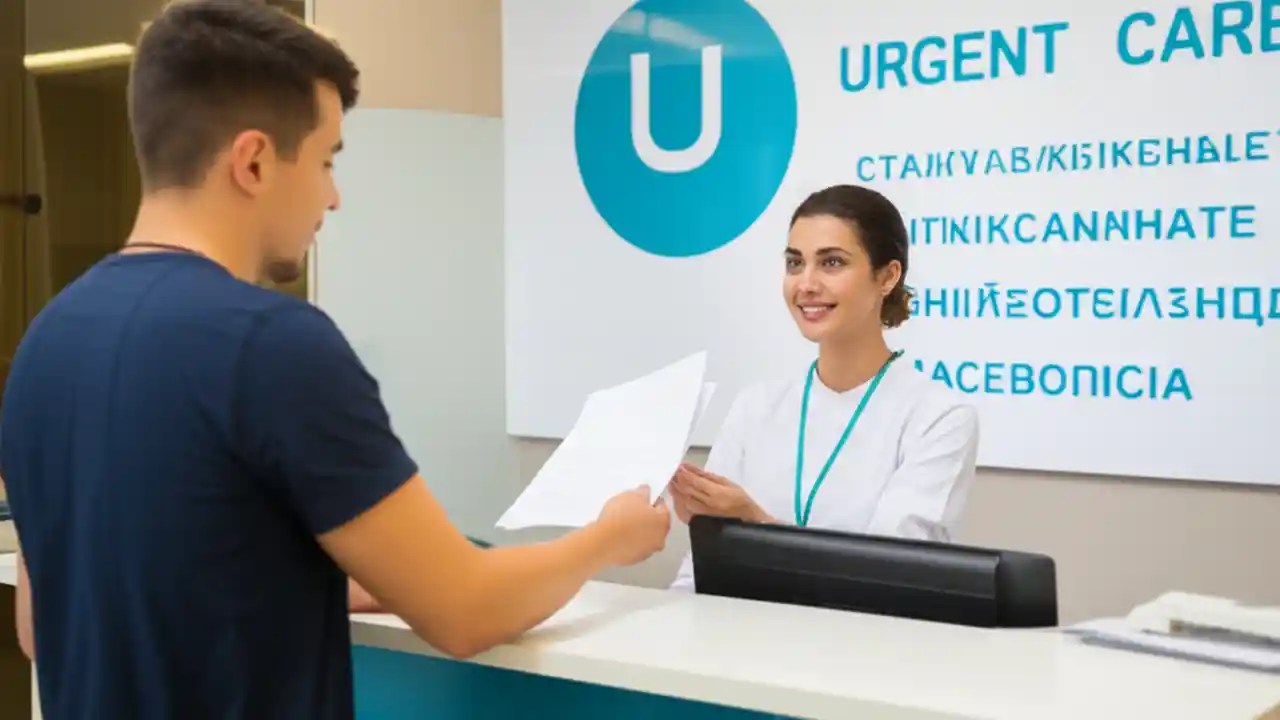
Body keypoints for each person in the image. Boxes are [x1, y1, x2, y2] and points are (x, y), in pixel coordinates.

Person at [0, 1, 670, 718]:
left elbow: (43, 626)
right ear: (254, 161)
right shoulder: (273, 344)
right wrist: (607, 538)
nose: (333, 196)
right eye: (324, 161)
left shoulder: (46, 343)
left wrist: (309, 577)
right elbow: (466, 610)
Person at [668, 184, 979, 591]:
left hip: (867, 648)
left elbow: (892, 578)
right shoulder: (756, 407)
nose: (806, 283)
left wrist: (755, 523)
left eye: (832, 263)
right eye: (795, 264)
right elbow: (698, 573)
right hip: (741, 643)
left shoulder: (938, 417)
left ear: (887, 276)